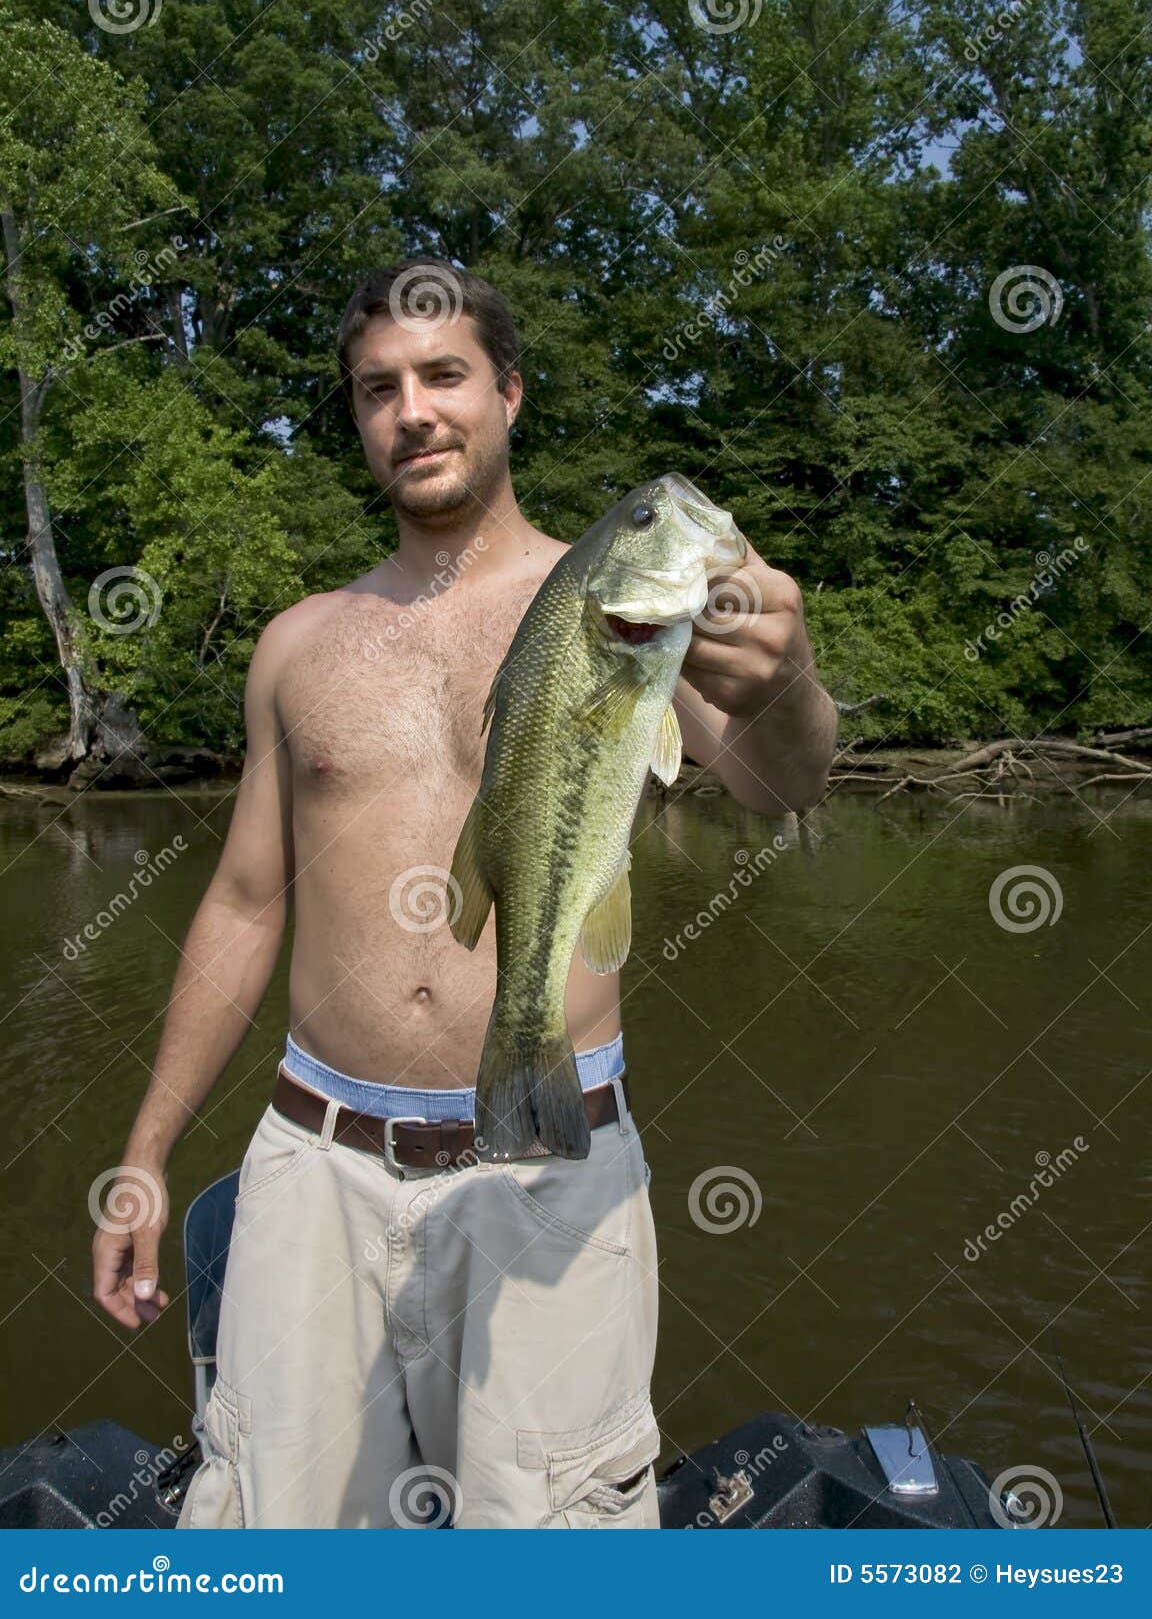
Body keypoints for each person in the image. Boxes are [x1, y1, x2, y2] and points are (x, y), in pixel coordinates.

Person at [90, 256, 839, 1528]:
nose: (413, 411)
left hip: (553, 1163)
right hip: (314, 1165)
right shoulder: (295, 645)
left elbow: (786, 784)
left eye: (444, 376)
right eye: (379, 389)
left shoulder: (623, 607)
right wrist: (148, 1152)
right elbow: (242, 904)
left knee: (545, 1547)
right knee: (282, 1541)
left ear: (509, 395)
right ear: (361, 421)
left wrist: (788, 676)